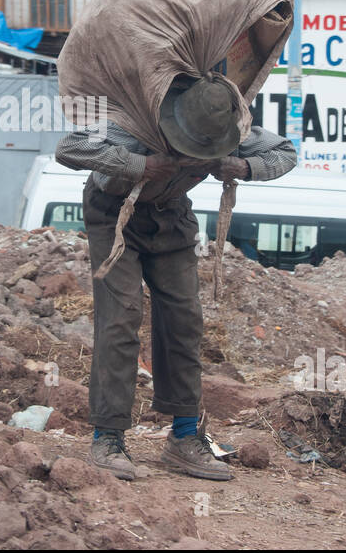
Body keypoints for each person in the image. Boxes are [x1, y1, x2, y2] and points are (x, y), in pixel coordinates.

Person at [56, 73, 296, 482]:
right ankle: (108, 435)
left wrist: (243, 165)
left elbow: (285, 153)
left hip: (171, 217)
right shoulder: (132, 125)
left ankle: (184, 438)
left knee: (185, 319)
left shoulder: (227, 128)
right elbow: (69, 147)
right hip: (114, 214)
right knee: (121, 318)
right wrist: (139, 164)